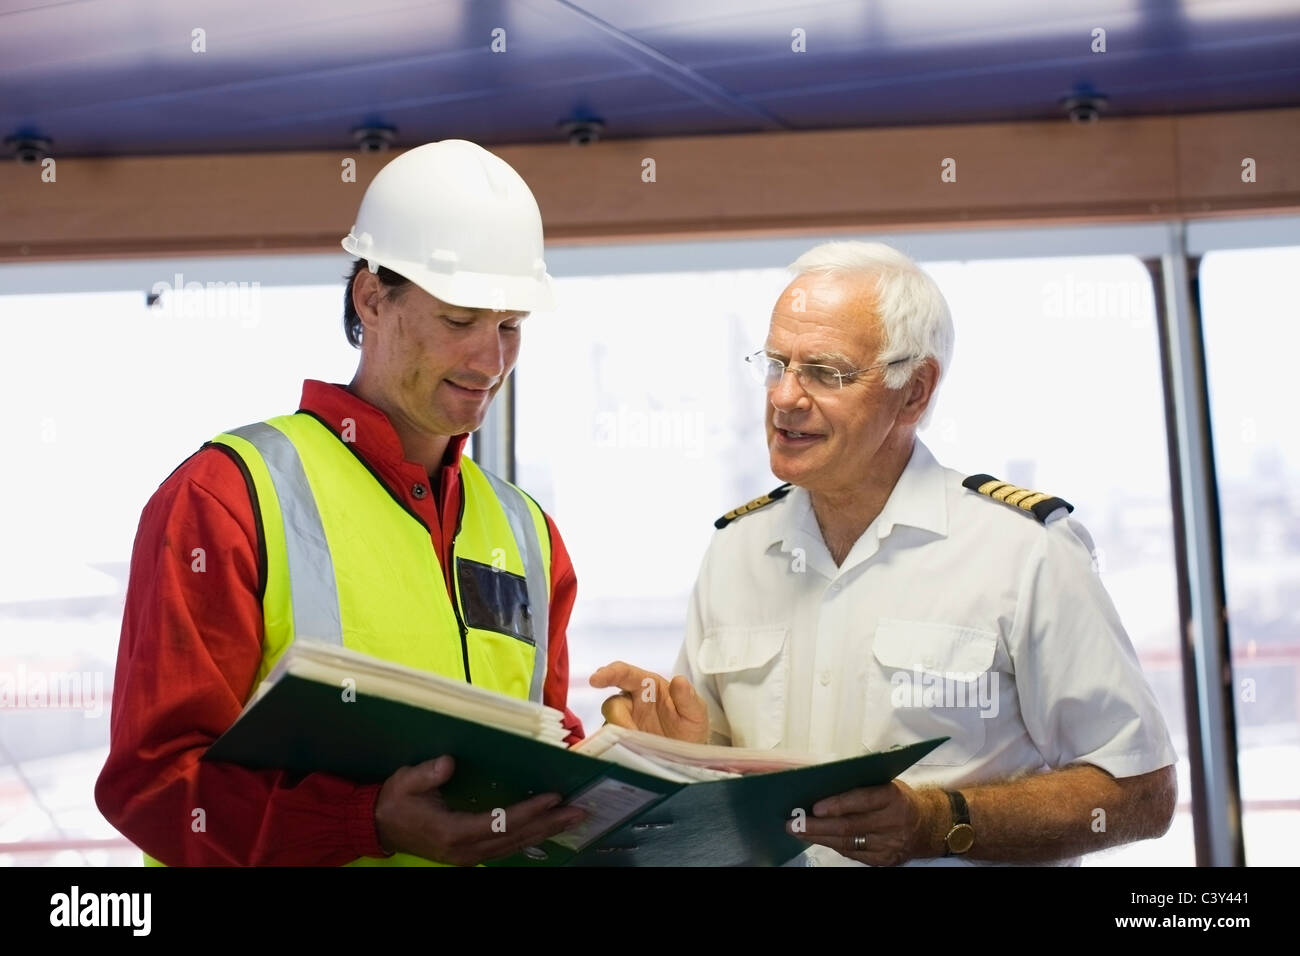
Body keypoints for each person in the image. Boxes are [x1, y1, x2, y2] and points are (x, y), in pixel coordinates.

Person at [592, 240, 1178, 866]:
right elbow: (717, 794)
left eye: (825, 372)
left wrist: (939, 821)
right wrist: (678, 757)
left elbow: (1141, 792)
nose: (784, 397)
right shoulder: (735, 550)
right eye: (776, 364)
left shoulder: (1025, 551)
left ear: (915, 392)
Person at [96, 140, 586, 866]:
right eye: (459, 321)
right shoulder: (226, 498)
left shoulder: (529, 534)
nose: (491, 361)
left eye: (510, 326)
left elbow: (547, 764)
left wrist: (622, 773)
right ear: (371, 297)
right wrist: (364, 825)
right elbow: (154, 783)